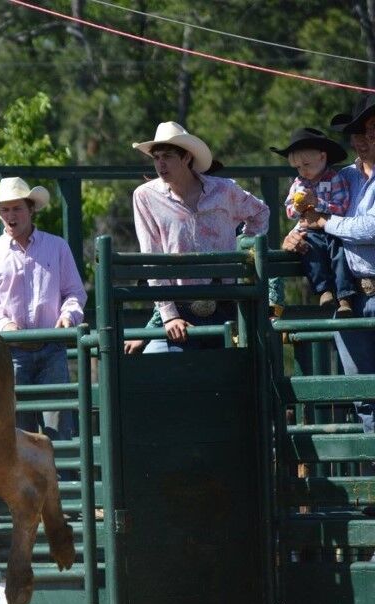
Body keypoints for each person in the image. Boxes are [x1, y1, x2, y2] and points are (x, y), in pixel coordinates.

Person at [128, 121, 271, 353]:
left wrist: (245, 250)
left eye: (168, 156)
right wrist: (169, 316)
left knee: (251, 367)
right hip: (178, 306)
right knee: (157, 362)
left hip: (227, 304)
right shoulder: (145, 196)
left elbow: (261, 213)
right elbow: (151, 256)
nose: (160, 164)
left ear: (186, 158)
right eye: (156, 158)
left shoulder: (224, 190)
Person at [0, 177, 86, 443]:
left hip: (51, 348)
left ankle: (61, 483)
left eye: (17, 208)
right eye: (5, 209)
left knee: (58, 430)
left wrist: (68, 315)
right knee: (17, 432)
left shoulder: (57, 247)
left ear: (31, 209)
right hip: (10, 352)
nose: (10, 216)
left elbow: (75, 293)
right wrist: (4, 324)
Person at [294, 100, 375, 442]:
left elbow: (370, 227)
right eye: (357, 132)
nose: (361, 139)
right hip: (351, 294)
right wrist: (296, 233)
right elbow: (310, 215)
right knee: (363, 396)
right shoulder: (343, 177)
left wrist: (326, 222)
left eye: (370, 132)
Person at [272, 127, 354, 317]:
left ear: (322, 158)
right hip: (310, 231)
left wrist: (318, 203)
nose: (303, 171)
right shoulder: (298, 183)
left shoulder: (335, 179)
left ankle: (344, 297)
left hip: (333, 228)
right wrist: (298, 208)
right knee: (310, 252)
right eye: (298, 167)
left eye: (306, 164)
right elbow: (290, 210)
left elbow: (342, 206)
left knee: (340, 253)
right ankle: (324, 291)